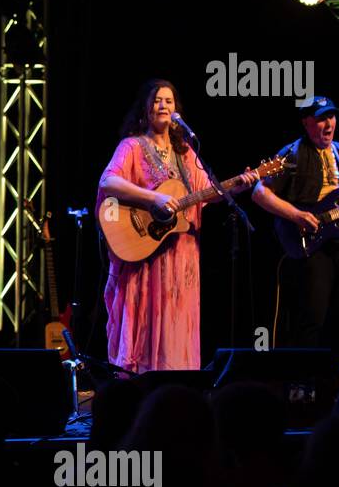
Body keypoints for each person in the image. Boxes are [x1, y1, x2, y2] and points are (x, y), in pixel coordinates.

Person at [97, 78, 257, 373]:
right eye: (158, 100)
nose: (163, 106)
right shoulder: (132, 146)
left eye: (169, 102)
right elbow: (108, 181)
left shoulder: (186, 154)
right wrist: (154, 197)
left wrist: (236, 187)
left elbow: (209, 192)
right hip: (145, 259)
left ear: (176, 112)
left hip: (181, 256)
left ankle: (176, 389)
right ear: (146, 109)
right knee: (144, 319)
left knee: (176, 321)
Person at [250, 95, 339, 359]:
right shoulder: (293, 153)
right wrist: (297, 215)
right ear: (307, 123)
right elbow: (259, 193)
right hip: (313, 245)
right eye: (321, 119)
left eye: (331, 117)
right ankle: (302, 384)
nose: (328, 123)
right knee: (312, 316)